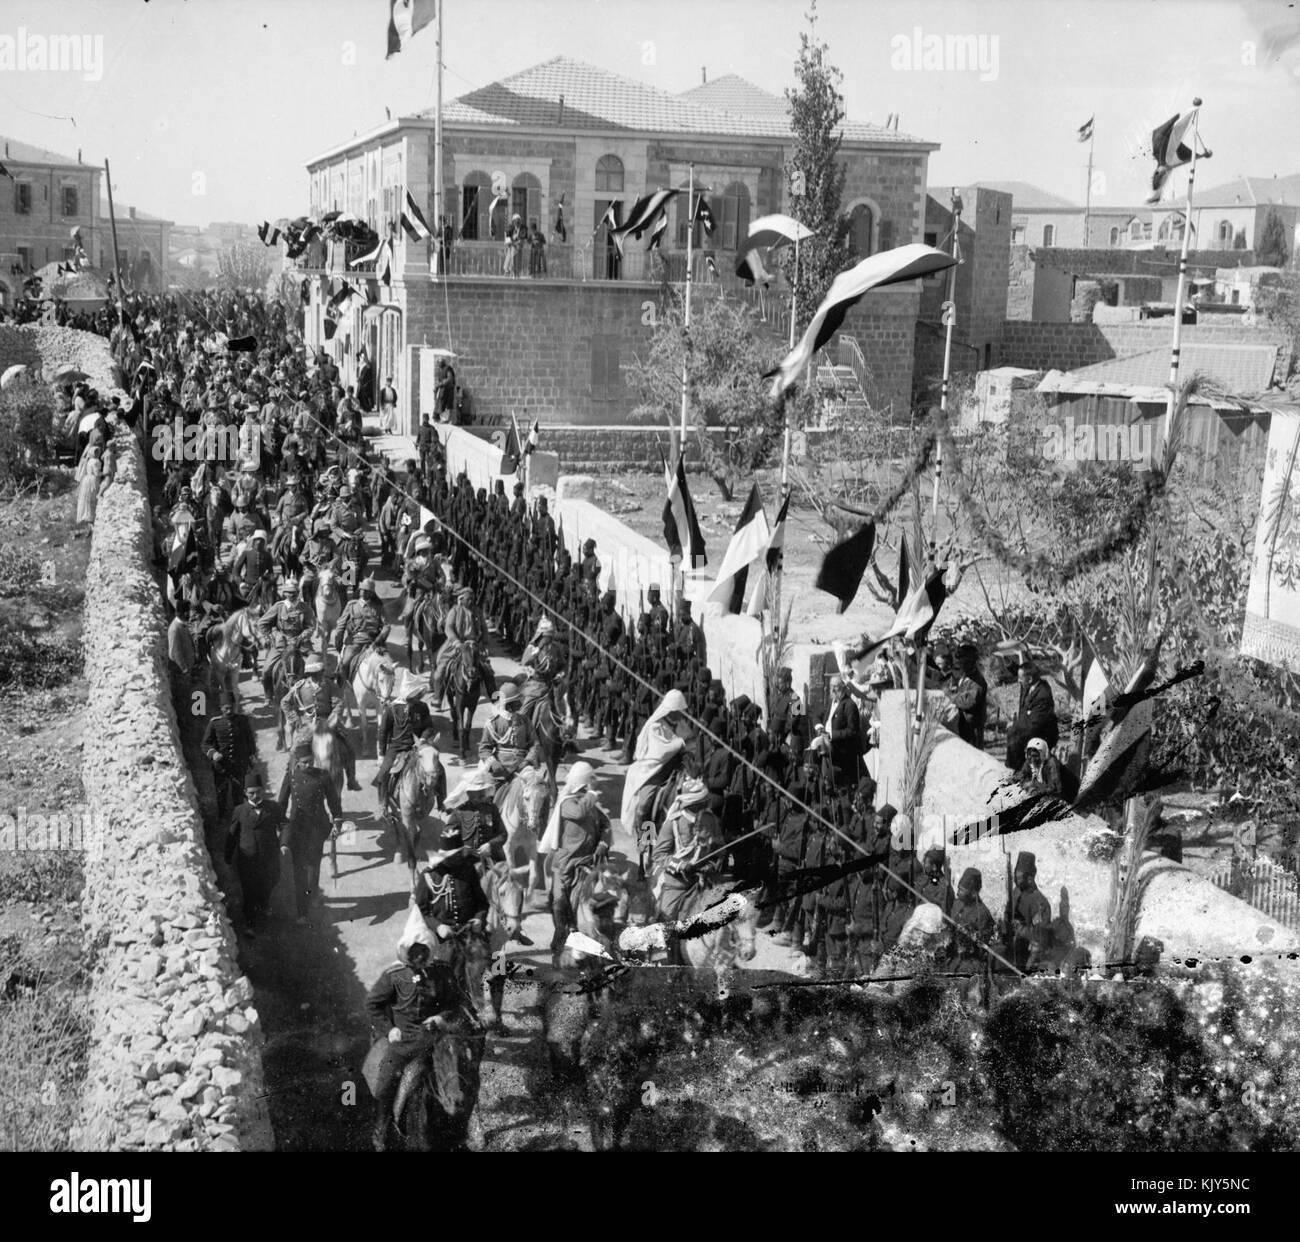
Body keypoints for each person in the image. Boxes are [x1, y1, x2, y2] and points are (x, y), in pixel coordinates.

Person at [364, 925, 465, 1151]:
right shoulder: (394, 975)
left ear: (430, 950)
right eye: (414, 952)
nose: (419, 956)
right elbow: (372, 1004)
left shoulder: (443, 971)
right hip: (404, 1043)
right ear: (406, 953)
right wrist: (388, 1029)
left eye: (423, 951)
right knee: (385, 1083)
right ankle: (382, 1127)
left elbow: (456, 1003)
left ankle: (466, 1125)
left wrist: (441, 1017)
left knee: (463, 1074)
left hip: (438, 1039)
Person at [414, 822, 502, 1028]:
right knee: (444, 976)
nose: (457, 858)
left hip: (470, 932)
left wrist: (480, 918)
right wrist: (438, 927)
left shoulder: (469, 871)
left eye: (458, 854)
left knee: (495, 965)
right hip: (442, 937)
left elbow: (482, 902)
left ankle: (490, 1011)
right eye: (452, 855)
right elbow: (421, 911)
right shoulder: (429, 876)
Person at [538, 761, 610, 966]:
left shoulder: (590, 804)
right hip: (565, 865)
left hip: (588, 863)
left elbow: (605, 824)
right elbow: (579, 813)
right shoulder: (568, 803)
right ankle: (559, 946)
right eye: (590, 782)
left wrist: (603, 842)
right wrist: (593, 794)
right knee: (560, 905)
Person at [620, 688, 688, 871]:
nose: (679, 716)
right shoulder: (655, 726)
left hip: (674, 770)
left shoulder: (679, 724)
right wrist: (681, 742)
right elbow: (661, 752)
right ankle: (644, 846)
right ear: (670, 711)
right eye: (677, 712)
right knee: (644, 806)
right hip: (653, 772)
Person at [277, 741, 345, 923]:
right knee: (299, 868)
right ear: (297, 761)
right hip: (297, 827)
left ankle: (312, 894)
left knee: (313, 866)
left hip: (317, 827)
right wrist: (282, 830)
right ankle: (302, 912)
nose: (308, 765)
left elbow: (334, 801)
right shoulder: (290, 776)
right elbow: (281, 803)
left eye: (310, 761)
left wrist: (337, 819)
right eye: (304, 762)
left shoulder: (323, 776)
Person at [222, 772, 284, 936]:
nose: (255, 796)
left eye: (258, 792)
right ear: (245, 793)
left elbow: (285, 825)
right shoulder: (240, 811)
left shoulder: (273, 808)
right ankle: (250, 922)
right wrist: (227, 856)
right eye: (251, 793)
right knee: (249, 890)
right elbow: (232, 834)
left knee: (272, 879)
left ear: (262, 791)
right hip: (247, 858)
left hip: (269, 856)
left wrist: (284, 842)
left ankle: (264, 902)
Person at [202, 689, 257, 822]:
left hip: (239, 764)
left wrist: (251, 756)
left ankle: (238, 818)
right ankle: (222, 817)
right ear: (221, 708)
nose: (229, 711)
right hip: (221, 766)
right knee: (222, 792)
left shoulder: (242, 720)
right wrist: (213, 753)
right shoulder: (214, 723)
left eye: (232, 708)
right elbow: (205, 744)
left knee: (238, 792)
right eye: (226, 708)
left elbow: (249, 740)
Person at [478, 680, 542, 789]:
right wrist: (493, 763)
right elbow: (484, 749)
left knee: (538, 790)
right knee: (486, 793)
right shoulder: (493, 723)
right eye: (517, 701)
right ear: (508, 704)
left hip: (523, 767)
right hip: (500, 768)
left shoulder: (525, 720)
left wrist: (527, 761)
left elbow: (535, 744)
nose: (521, 704)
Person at [1006, 658, 1058, 771]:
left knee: (1014, 740)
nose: (1018, 681)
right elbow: (1021, 672)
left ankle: (1017, 772)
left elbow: (1033, 724)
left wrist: (1014, 725)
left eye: (1020, 679)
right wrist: (1007, 661)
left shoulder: (1042, 694)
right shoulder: (1031, 684)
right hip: (1029, 729)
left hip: (1041, 735)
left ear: (1029, 679)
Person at [1009, 851, 1052, 972]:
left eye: (1019, 875)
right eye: (1015, 873)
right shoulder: (1016, 892)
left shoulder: (1039, 902)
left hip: (1029, 957)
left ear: (1029, 878)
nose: (1016, 878)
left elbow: (1041, 936)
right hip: (1013, 951)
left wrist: (1021, 930)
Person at [950, 867, 995, 975]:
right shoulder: (957, 904)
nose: (957, 893)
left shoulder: (982, 914)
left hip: (971, 965)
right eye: (958, 888)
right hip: (954, 960)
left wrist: (969, 935)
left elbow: (983, 945)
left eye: (961, 890)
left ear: (973, 893)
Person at [946, 643, 988, 750]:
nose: (960, 664)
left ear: (970, 662)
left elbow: (968, 702)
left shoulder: (978, 682)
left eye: (963, 662)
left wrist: (951, 696)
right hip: (964, 725)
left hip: (972, 727)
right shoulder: (965, 677)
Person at [826, 675, 863, 791]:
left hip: (842, 755)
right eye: (831, 686)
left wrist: (832, 735)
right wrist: (819, 726)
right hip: (828, 750)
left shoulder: (850, 705)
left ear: (842, 688)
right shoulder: (831, 703)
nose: (832, 690)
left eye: (835, 687)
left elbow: (852, 731)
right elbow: (819, 715)